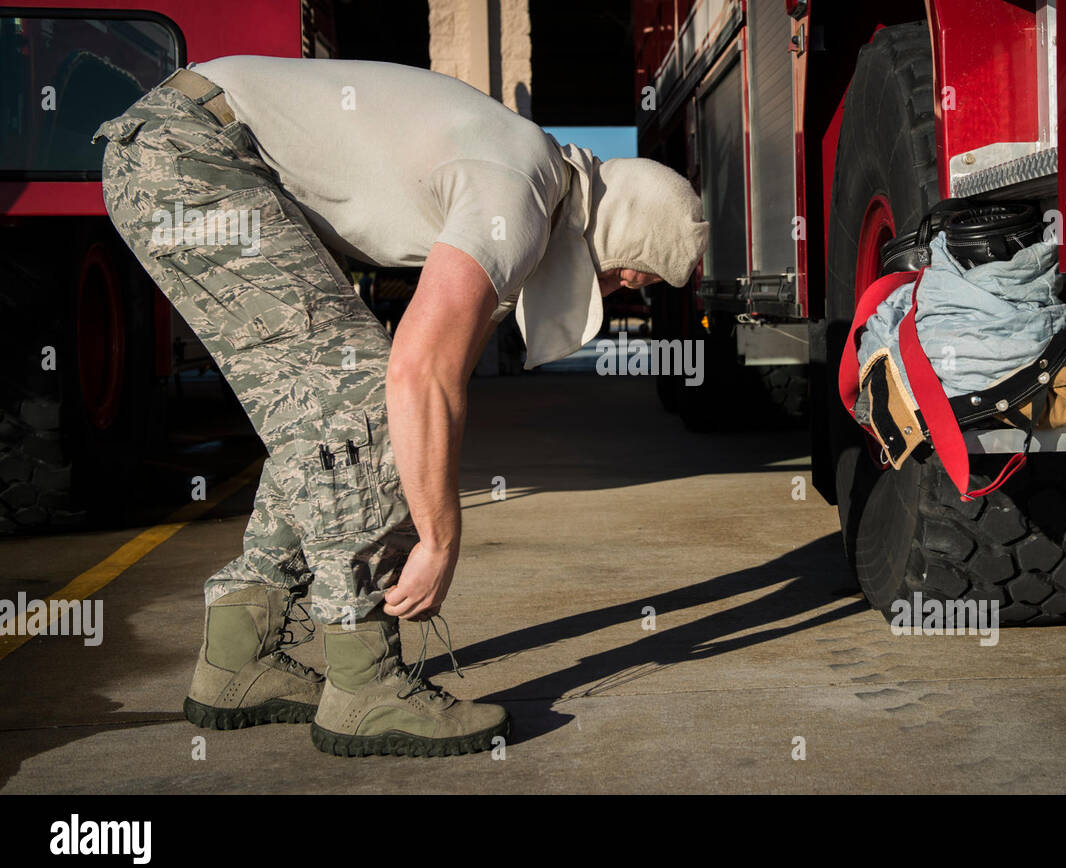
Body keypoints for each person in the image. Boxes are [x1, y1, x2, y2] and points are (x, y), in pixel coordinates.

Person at [93, 56, 709, 758]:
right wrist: (439, 541)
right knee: (363, 392)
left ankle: (241, 651)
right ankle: (366, 683)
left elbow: (449, 378)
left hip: (180, 149)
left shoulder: (532, 181)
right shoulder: (515, 189)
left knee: (323, 408)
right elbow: (417, 378)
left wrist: (428, 476)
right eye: (637, 269)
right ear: (626, 229)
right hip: (189, 156)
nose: (628, 286)